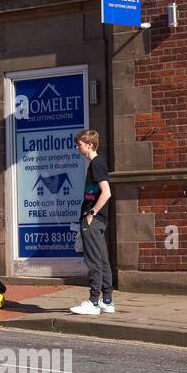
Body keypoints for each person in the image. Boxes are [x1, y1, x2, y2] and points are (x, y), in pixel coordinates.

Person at [71, 129, 115, 316]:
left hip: (93, 219)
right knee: (103, 260)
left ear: (89, 145)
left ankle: (93, 302)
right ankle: (107, 301)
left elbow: (106, 192)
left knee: (93, 260)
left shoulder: (96, 164)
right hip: (97, 220)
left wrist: (91, 213)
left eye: (79, 143)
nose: (77, 146)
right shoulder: (97, 164)